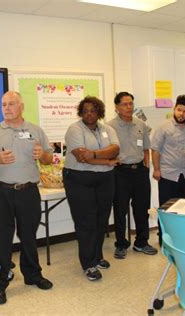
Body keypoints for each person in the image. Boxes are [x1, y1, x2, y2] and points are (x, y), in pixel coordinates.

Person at [0, 91, 53, 305]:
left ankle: (33, 275)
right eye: (3, 104)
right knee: (0, 240)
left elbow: (48, 158)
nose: (6, 108)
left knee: (28, 235)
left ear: (21, 106)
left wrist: (42, 156)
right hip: (1, 192)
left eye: (11, 104)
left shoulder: (35, 130)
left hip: (28, 191)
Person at [62, 96, 119, 281]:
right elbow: (81, 157)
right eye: (85, 110)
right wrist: (108, 160)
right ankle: (88, 264)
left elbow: (116, 149)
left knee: (101, 220)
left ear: (99, 112)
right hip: (79, 179)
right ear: (81, 112)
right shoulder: (74, 129)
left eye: (93, 110)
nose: (89, 114)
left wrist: (94, 154)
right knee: (86, 222)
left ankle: (97, 256)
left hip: (104, 178)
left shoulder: (107, 129)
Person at [108, 92, 157, 259]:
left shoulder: (141, 125)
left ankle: (142, 242)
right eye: (125, 104)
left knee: (142, 208)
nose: (129, 107)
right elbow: (107, 151)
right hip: (120, 172)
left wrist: (147, 167)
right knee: (120, 209)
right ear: (117, 107)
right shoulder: (109, 127)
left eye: (131, 104)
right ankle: (121, 244)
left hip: (140, 172)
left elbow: (146, 149)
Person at [151, 95, 185, 244]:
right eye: (179, 110)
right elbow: (155, 150)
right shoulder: (163, 127)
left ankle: (182, 239)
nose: (181, 114)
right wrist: (156, 169)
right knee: (166, 209)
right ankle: (164, 239)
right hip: (168, 174)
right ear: (174, 109)